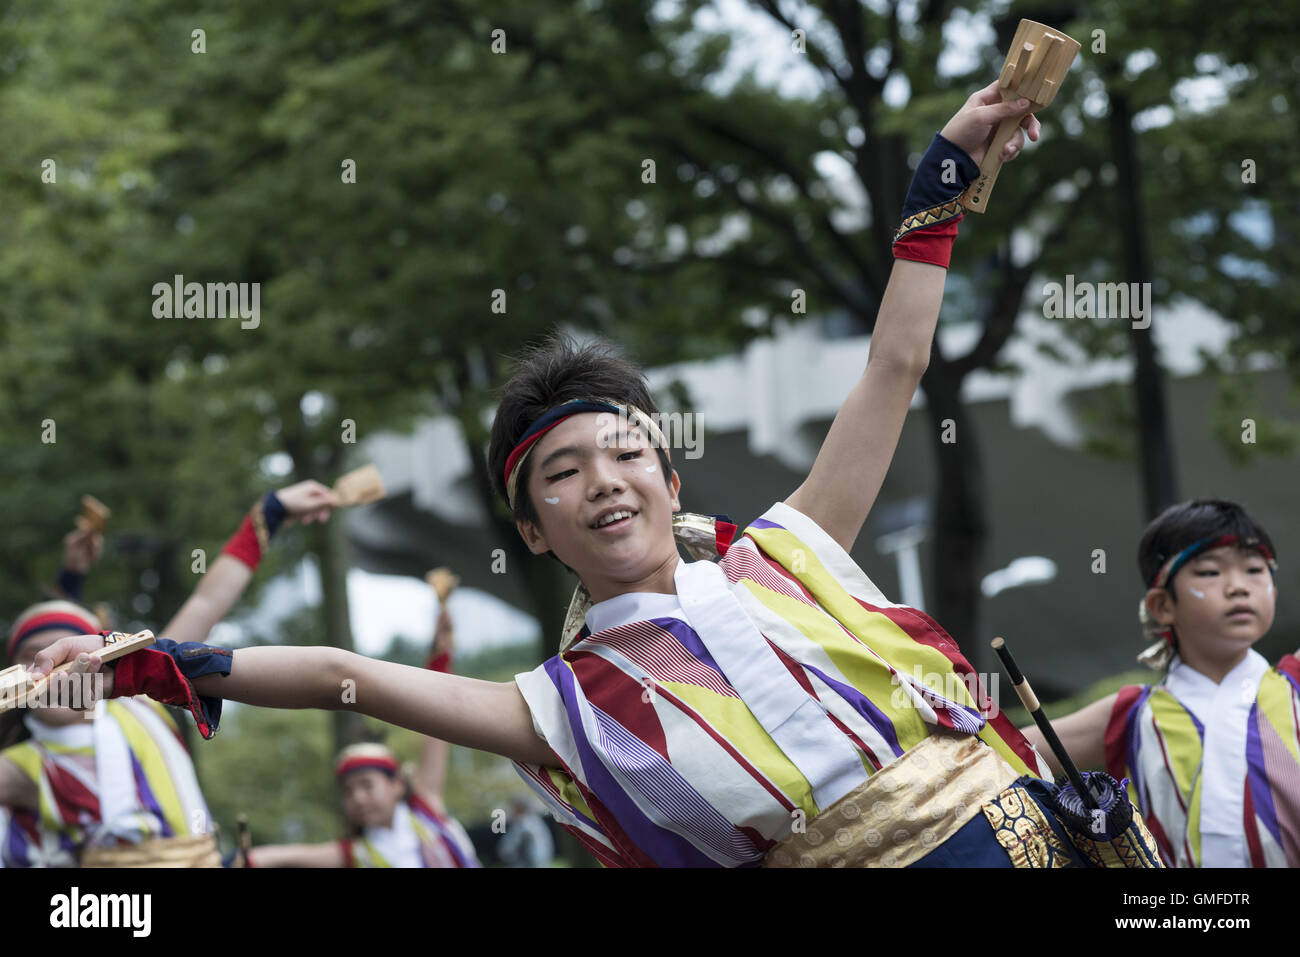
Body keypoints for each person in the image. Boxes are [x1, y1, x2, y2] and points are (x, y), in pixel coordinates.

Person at [31, 81, 1159, 868]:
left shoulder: (796, 549)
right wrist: (152, 663)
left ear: (670, 478)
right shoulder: (557, 708)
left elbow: (896, 361)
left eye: (627, 452)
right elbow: (345, 676)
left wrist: (943, 178)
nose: (608, 480)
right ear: (531, 529)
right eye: (564, 473)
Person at [0, 481, 336, 866]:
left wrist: (271, 513)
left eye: (68, 652)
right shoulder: (24, 765)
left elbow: (208, 601)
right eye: (36, 658)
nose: (58, 670)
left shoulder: (142, 694)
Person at [1018, 499, 1300, 867]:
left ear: (1273, 595)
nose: (1238, 587)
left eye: (1254, 570)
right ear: (1162, 605)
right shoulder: (1131, 715)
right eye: (1210, 573)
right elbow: (1004, 751)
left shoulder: (1295, 684)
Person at [246, 606, 480, 868]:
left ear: (398, 785)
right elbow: (283, 857)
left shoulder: (427, 810)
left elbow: (438, 722)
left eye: (367, 785)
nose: (357, 798)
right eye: (348, 791)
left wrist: (440, 657)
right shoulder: (354, 854)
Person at [497, 797, 554, 868]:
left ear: (519, 808)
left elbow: (507, 850)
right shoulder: (537, 822)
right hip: (540, 863)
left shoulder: (523, 823)